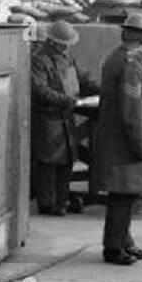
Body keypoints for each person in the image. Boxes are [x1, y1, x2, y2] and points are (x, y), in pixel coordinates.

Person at [90, 12, 142, 265]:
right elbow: (131, 111)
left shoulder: (115, 58)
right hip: (126, 142)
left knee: (125, 196)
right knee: (123, 196)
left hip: (116, 140)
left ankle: (125, 242)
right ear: (141, 39)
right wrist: (141, 146)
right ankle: (114, 247)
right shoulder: (131, 66)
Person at [30, 20, 99, 216]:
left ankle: (62, 200)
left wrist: (102, 91)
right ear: (54, 42)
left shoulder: (67, 59)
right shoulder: (39, 60)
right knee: (48, 162)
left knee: (67, 161)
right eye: (63, 43)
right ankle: (47, 203)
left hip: (65, 117)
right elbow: (41, 90)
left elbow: (83, 80)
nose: (66, 47)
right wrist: (68, 101)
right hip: (48, 118)